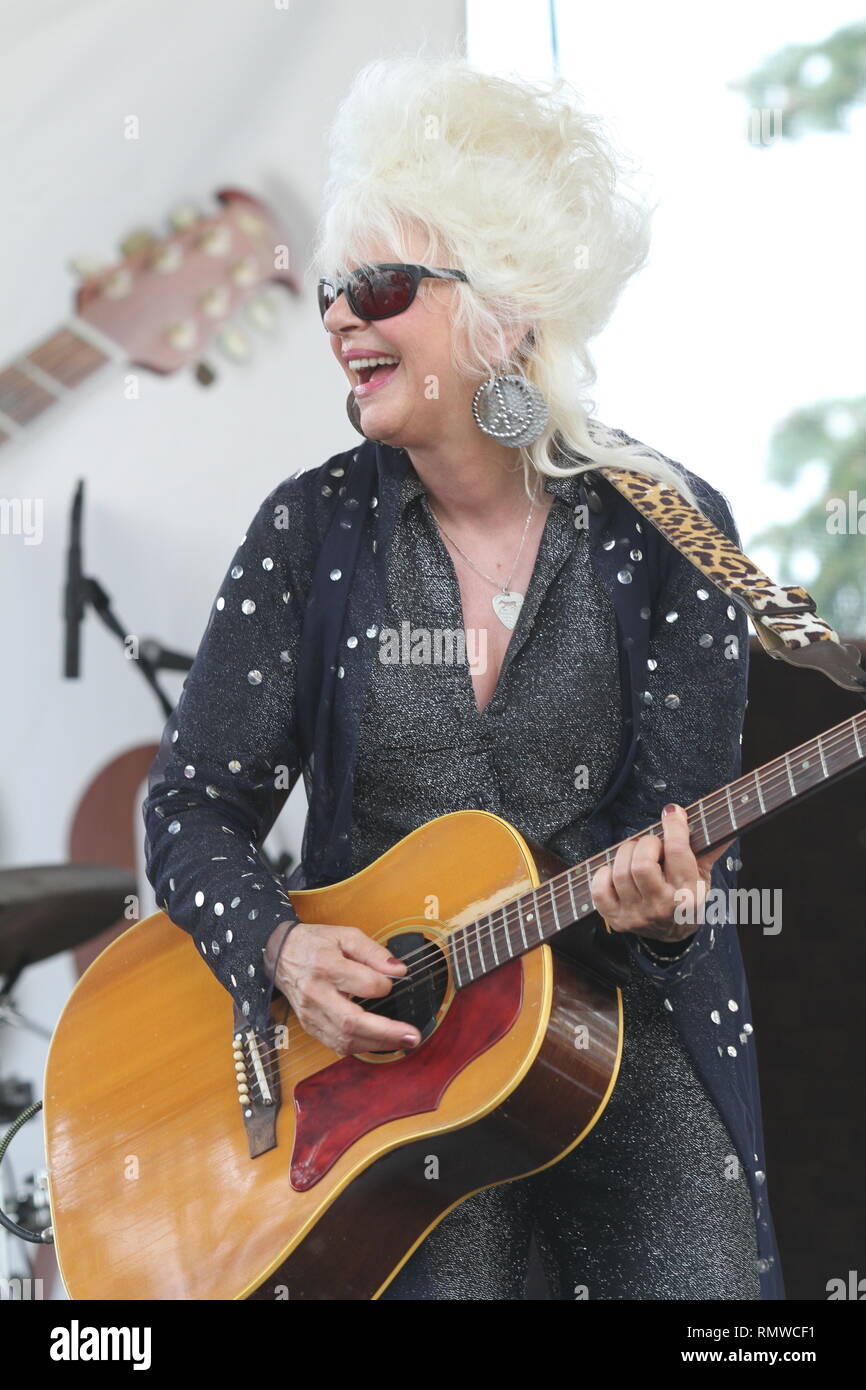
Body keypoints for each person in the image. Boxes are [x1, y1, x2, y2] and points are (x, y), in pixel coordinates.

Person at [142, 53, 783, 1300]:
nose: (340, 317)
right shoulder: (306, 532)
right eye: (329, 290)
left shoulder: (671, 524)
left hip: (615, 1049)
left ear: (505, 305)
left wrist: (669, 916)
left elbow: (680, 851)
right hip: (387, 1078)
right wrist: (278, 949)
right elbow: (190, 808)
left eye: (379, 286)